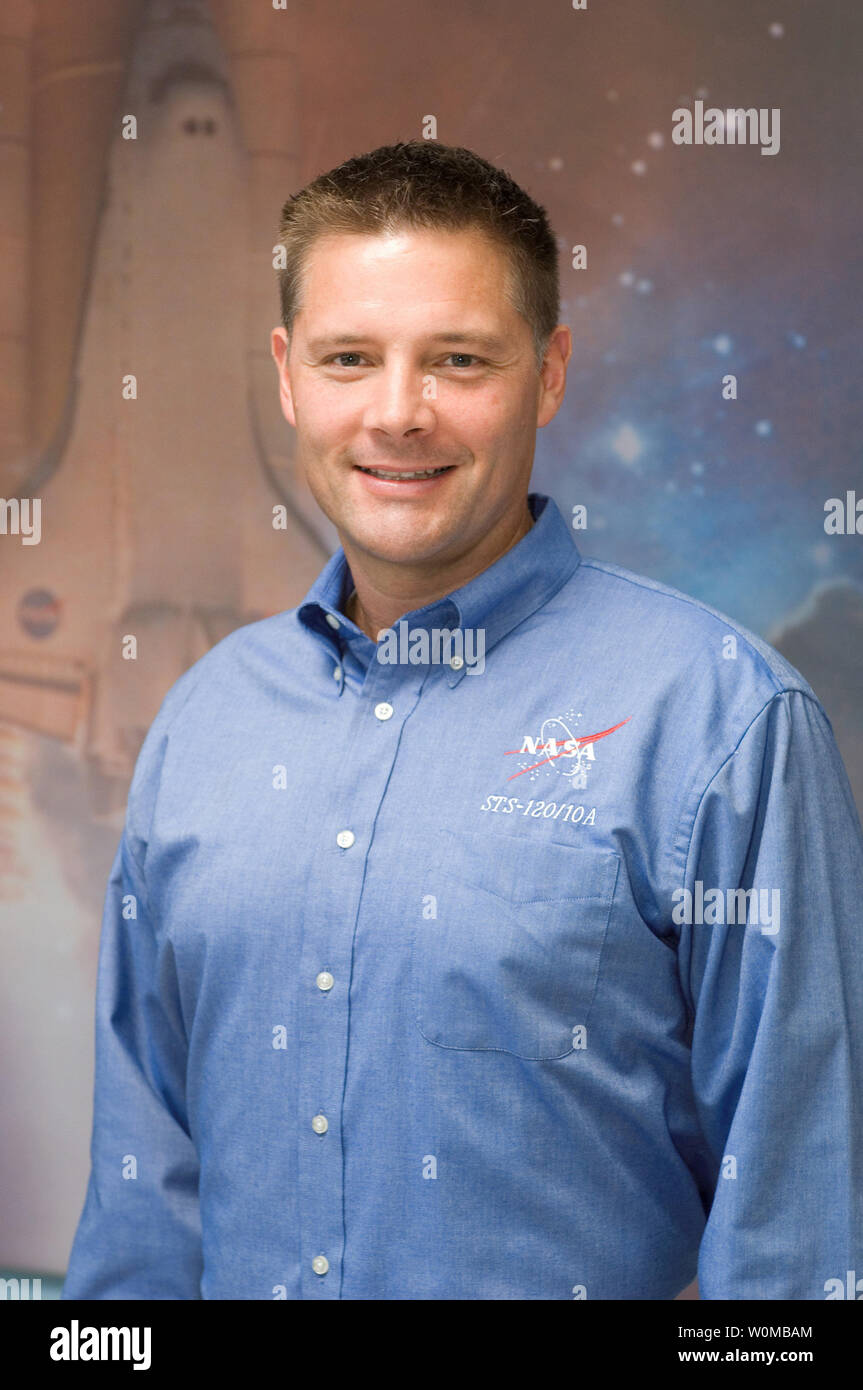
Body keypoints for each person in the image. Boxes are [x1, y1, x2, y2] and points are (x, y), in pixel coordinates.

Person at [63, 140, 863, 1300]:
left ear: (547, 373)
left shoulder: (725, 726)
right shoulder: (203, 725)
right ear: (288, 376)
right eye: (349, 358)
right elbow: (142, 1216)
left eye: (458, 360)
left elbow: (793, 1252)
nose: (398, 413)